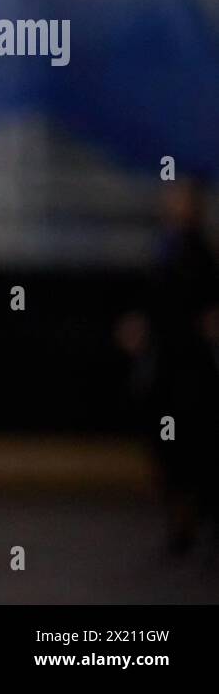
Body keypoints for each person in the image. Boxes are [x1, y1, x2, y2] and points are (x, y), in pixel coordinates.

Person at [116, 178, 219, 557]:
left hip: (189, 369)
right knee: (167, 446)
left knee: (192, 446)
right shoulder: (164, 249)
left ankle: (195, 522)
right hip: (166, 366)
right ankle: (182, 523)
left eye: (181, 197)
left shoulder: (200, 252)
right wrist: (142, 324)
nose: (173, 203)